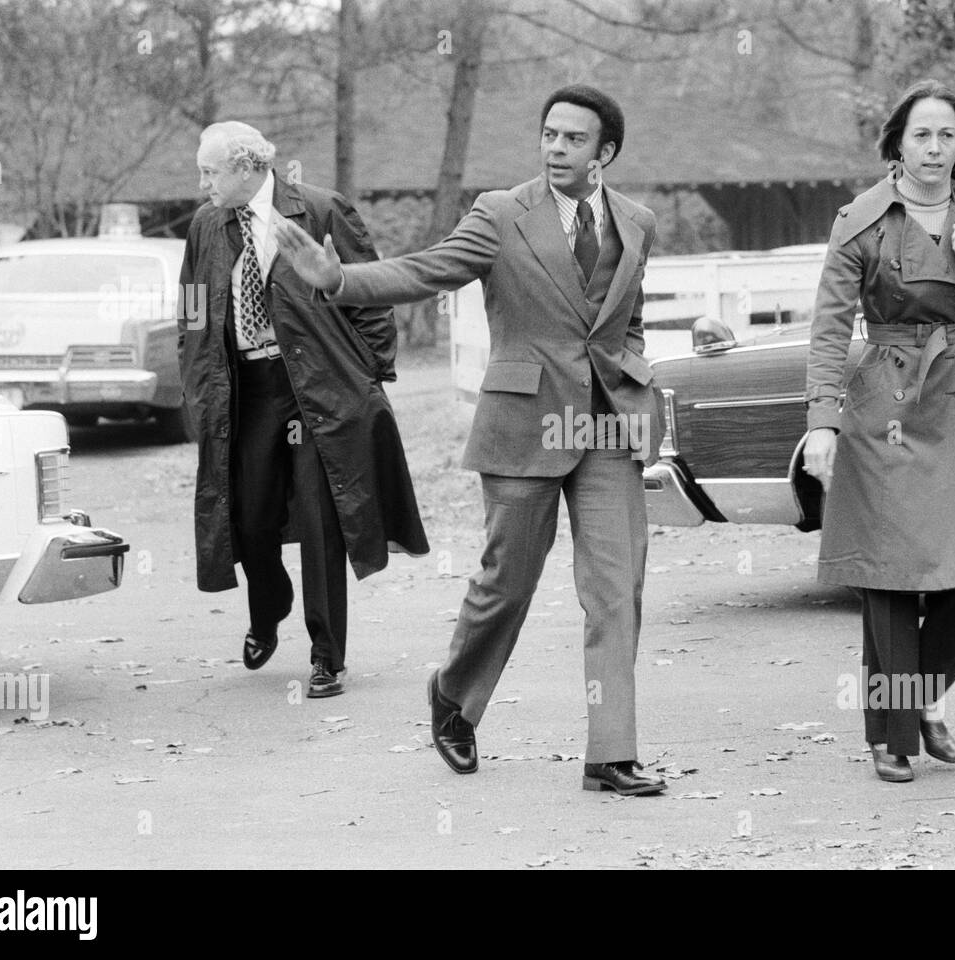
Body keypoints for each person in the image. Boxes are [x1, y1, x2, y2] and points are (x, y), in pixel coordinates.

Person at [275, 85, 667, 796]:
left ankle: (611, 752)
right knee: (506, 583)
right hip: (525, 419)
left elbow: (627, 318)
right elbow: (426, 269)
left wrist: (632, 372)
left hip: (608, 424)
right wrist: (339, 279)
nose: (555, 148)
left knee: (617, 592)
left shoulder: (637, 223)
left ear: (605, 151)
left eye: (573, 139)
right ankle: (454, 694)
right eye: (548, 134)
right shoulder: (500, 215)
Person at [802, 81, 955, 783]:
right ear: (897, 143)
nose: (936, 149)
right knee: (892, 579)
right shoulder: (861, 220)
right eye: (922, 135)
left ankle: (924, 695)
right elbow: (829, 329)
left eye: (949, 137)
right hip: (889, 405)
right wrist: (823, 424)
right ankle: (891, 735)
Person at [177, 121, 429, 699]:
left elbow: (371, 291)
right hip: (246, 390)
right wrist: (197, 385)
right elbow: (192, 309)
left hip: (315, 386)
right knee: (251, 516)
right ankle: (268, 607)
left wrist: (367, 374)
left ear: (246, 168)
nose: (201, 183)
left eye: (209, 171)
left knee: (321, 520)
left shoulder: (317, 209)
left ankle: (326, 656)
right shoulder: (206, 225)